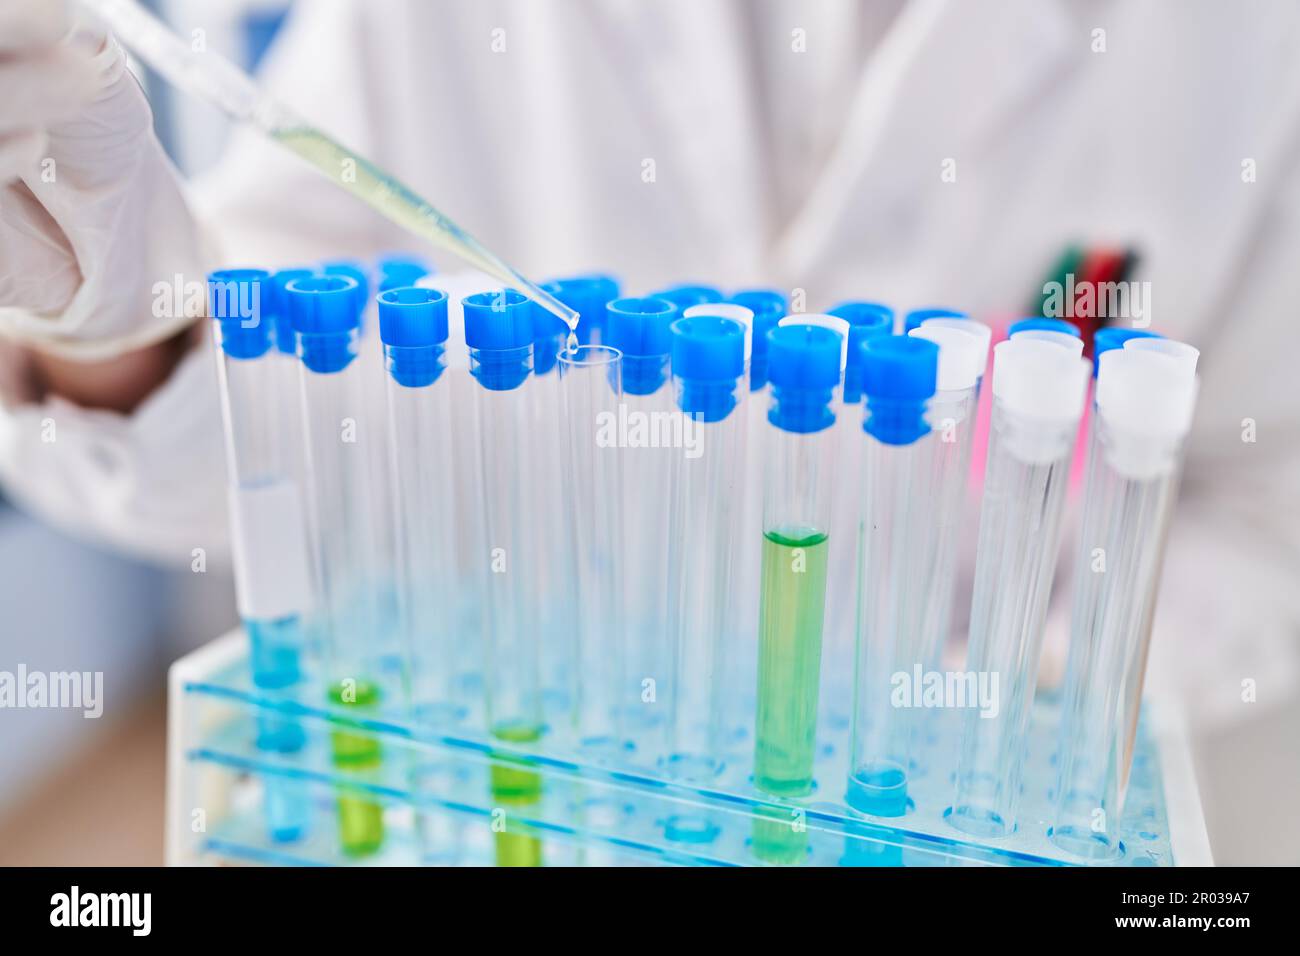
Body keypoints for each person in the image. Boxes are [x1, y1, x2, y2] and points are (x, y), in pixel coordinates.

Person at [2, 0, 1298, 726]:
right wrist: (119, 331)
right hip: (521, 784)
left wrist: (1017, 709)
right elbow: (256, 424)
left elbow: (1271, 518)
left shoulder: (1244, 49)